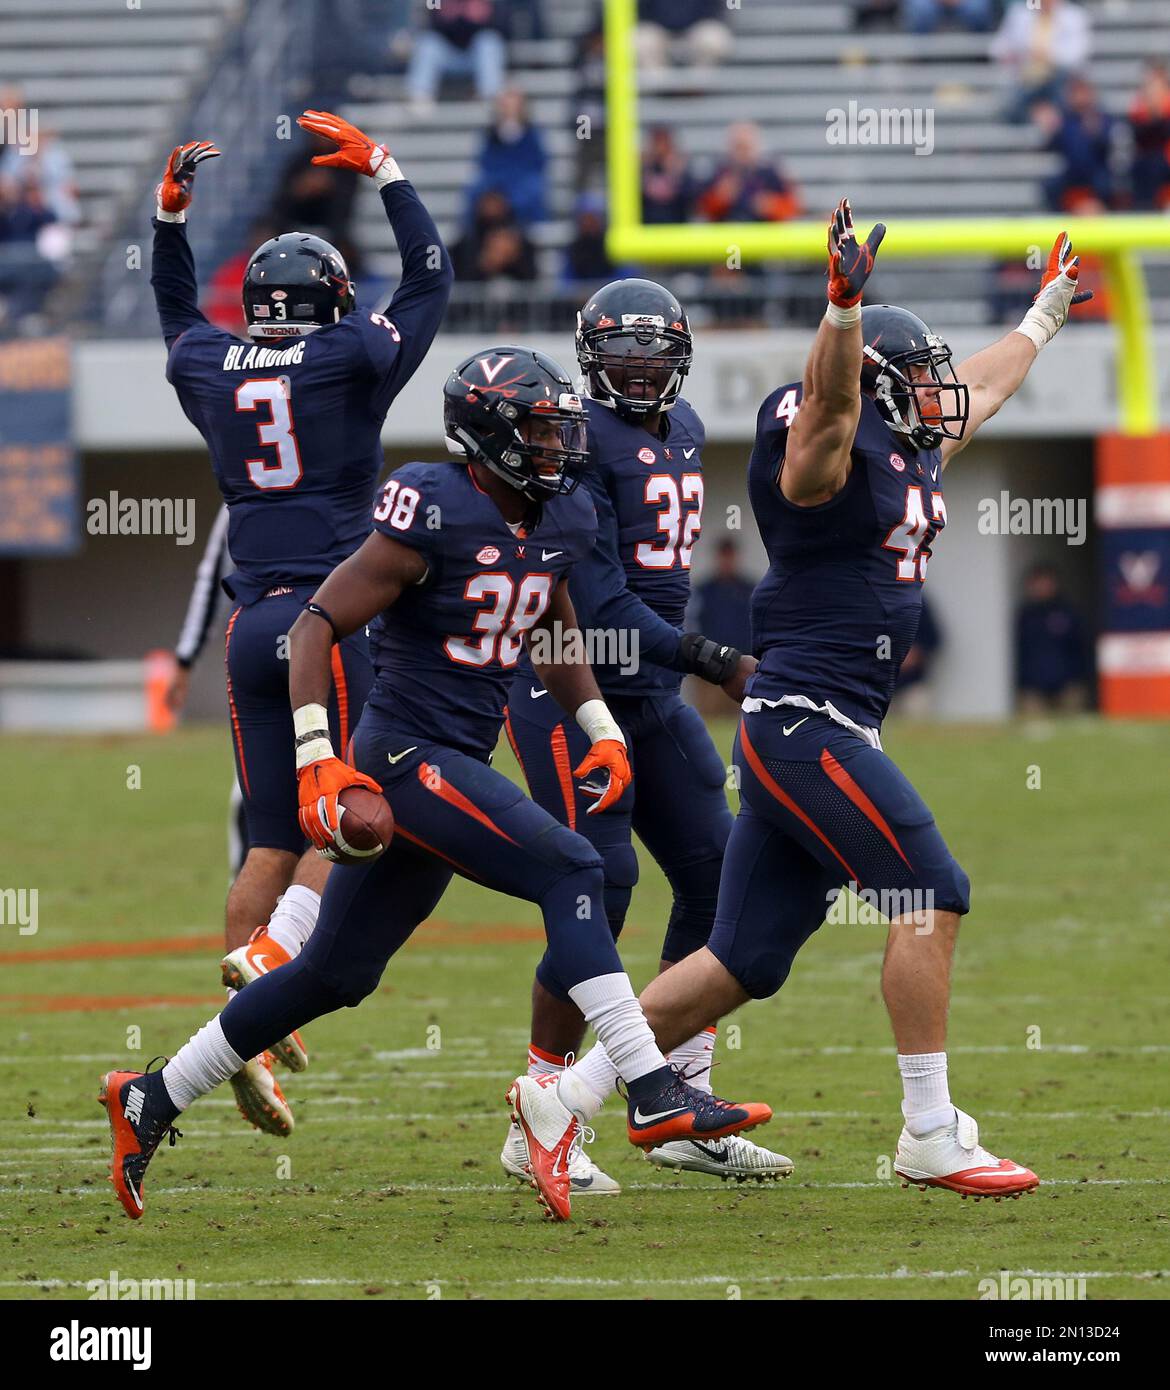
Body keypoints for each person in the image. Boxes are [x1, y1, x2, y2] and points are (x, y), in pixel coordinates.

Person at [98, 348, 773, 1226]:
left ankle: (150, 1096)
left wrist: (601, 733)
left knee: (332, 976)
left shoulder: (561, 514)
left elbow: (557, 637)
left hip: (455, 759)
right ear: (488, 436)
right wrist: (315, 756)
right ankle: (650, 1087)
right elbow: (314, 626)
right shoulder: (434, 507)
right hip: (402, 756)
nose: (560, 444)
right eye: (538, 429)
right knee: (575, 869)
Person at [531, 203, 1093, 1201]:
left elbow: (987, 387)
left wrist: (1046, 312)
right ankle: (928, 1126)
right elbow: (827, 416)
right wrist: (841, 311)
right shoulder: (830, 447)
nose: (937, 395)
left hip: (817, 722)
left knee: (741, 960)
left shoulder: (916, 438)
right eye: (915, 380)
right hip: (806, 720)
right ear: (872, 385)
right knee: (933, 891)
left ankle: (562, 1102)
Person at [146, 111, 452, 1135]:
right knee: (359, 808)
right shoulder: (345, 362)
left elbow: (175, 313)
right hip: (333, 620)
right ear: (331, 302)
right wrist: (391, 173)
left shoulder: (206, 367)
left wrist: (169, 220)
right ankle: (275, 960)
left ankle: (246, 1027)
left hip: (248, 627)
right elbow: (430, 282)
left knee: (271, 832)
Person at [501, 280, 791, 1191]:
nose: (639, 366)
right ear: (591, 359)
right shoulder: (577, 445)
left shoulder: (691, 428)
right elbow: (601, 605)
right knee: (600, 881)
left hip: (653, 690)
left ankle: (681, 1107)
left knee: (717, 869)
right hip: (570, 686)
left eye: (653, 349)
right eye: (621, 350)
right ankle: (538, 1112)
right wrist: (723, 661)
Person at [992, 0, 1092, 123]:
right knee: (1013, 99)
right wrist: (1011, 56)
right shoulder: (1020, 13)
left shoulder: (1074, 16)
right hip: (1023, 78)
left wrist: (1046, 56)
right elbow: (998, 48)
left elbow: (1077, 55)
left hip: (1058, 80)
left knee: (1061, 79)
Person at [405, 0, 509, 113]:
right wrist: (451, 17)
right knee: (428, 43)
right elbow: (429, 23)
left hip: (476, 56)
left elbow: (503, 25)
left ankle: (489, 97)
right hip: (446, 55)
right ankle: (420, 96)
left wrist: (477, 19)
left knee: (489, 41)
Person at [466, 88, 547, 228]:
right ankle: (472, 236)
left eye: (513, 102)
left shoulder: (532, 133)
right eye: (505, 102)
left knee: (533, 192)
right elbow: (485, 162)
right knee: (474, 191)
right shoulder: (490, 133)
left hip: (524, 179)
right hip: (496, 180)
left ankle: (531, 232)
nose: (509, 106)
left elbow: (539, 162)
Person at [1015, 564, 1089, 713]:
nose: (1042, 587)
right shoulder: (1026, 615)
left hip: (1068, 684)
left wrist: (1078, 676)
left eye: (1045, 582)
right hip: (1033, 686)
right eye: (1037, 583)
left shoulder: (1068, 612)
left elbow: (1080, 646)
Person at [696, 122, 801, 225]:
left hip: (761, 235)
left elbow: (792, 208)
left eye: (746, 147)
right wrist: (720, 198)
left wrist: (771, 206)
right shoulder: (719, 172)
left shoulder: (771, 172)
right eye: (738, 147)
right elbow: (701, 209)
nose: (742, 153)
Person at [635, 0, 733, 73]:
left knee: (712, 38)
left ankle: (697, 90)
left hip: (696, 32)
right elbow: (642, 13)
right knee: (642, 41)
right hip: (660, 33)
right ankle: (659, 90)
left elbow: (717, 13)